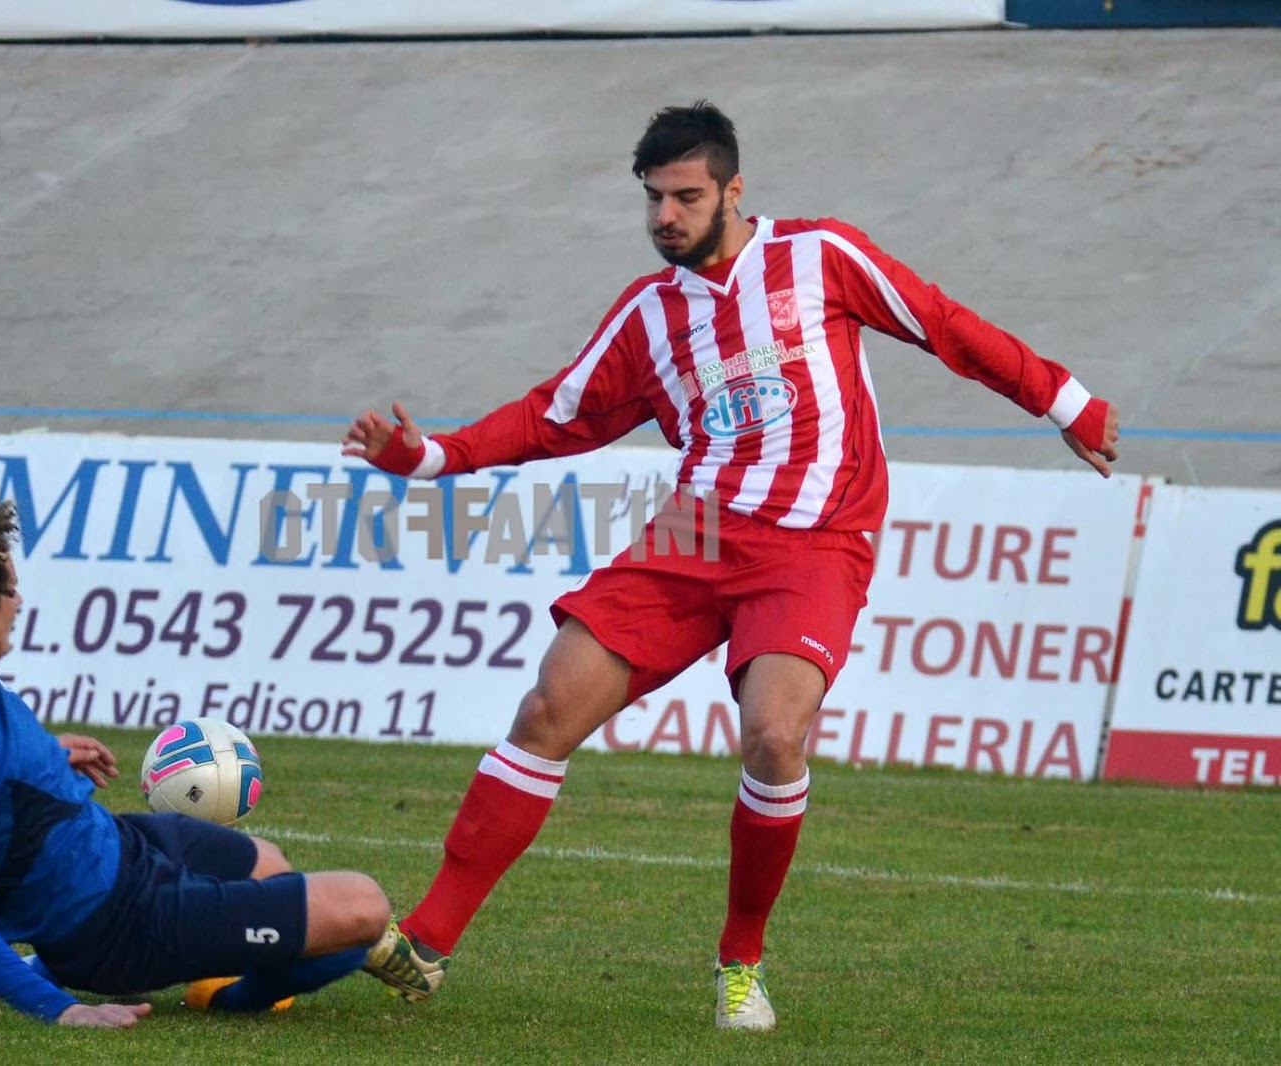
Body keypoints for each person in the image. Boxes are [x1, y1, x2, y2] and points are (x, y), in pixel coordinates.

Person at [347, 101, 1121, 1030]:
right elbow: (558, 414)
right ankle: (428, 943)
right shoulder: (649, 313)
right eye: (652, 199)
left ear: (733, 190)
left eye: (684, 196)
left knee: (773, 737)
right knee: (550, 704)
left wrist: (1063, 400)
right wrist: (433, 458)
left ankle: (741, 962)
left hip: (817, 539)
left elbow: (940, 322)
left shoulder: (821, 257)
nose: (664, 216)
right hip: (697, 535)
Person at [0, 501, 390, 1027]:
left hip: (114, 845)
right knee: (362, 912)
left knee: (271, 865)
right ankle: (221, 998)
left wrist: (38, 758)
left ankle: (33, 967)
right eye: (9, 590)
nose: (18, 601)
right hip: (116, 925)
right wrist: (63, 1009)